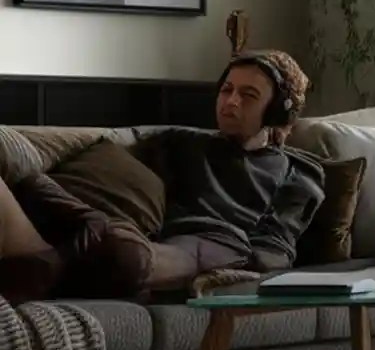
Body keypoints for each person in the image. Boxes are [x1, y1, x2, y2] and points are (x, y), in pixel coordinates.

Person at [0, 49, 326, 302]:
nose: (230, 102)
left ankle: (58, 255)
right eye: (227, 90)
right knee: (31, 184)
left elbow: (276, 252)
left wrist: (229, 274)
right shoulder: (182, 142)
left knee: (127, 255)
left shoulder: (300, 170)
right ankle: (61, 253)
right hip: (151, 236)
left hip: (219, 248)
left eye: (248, 95)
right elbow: (112, 143)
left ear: (277, 111)